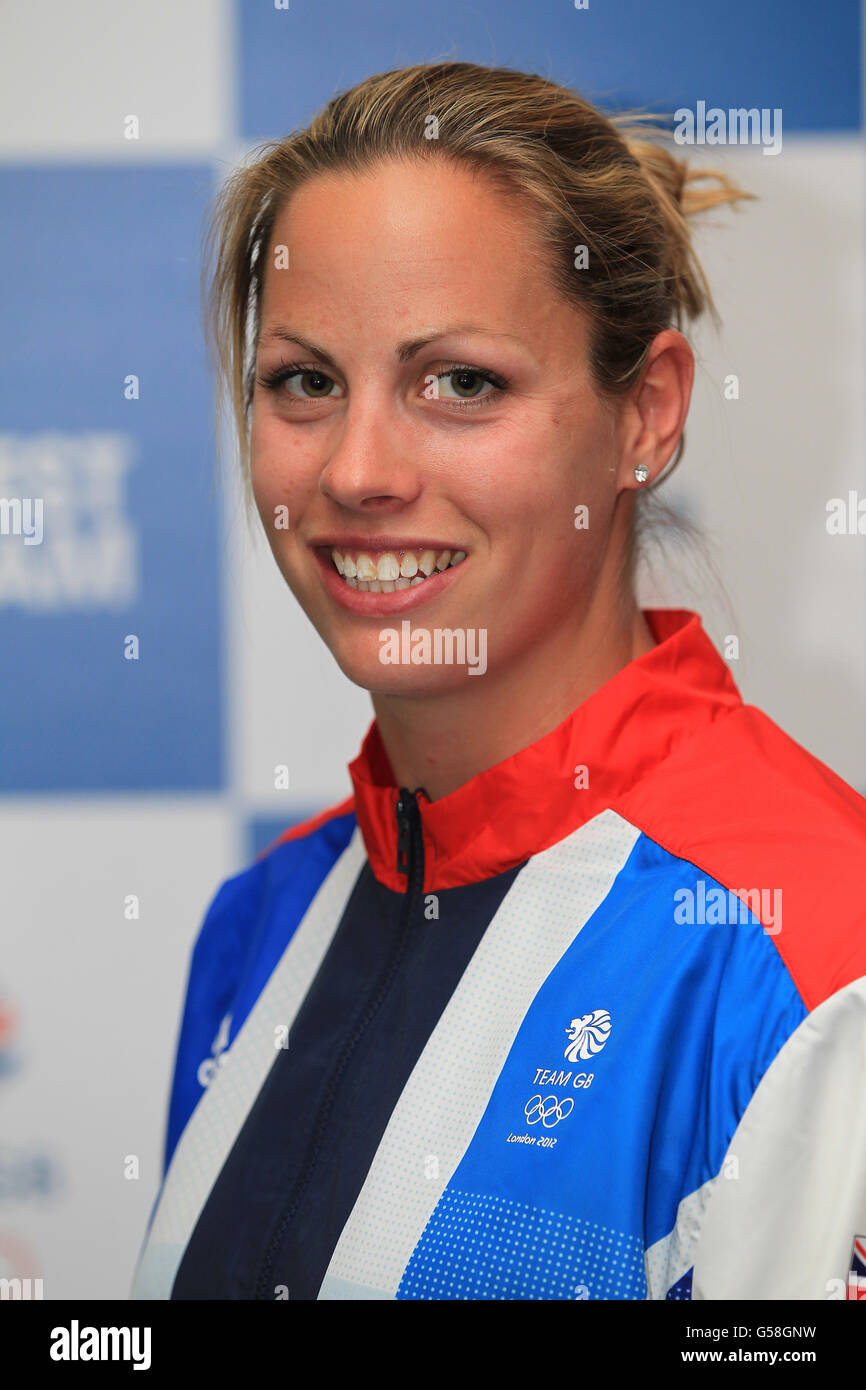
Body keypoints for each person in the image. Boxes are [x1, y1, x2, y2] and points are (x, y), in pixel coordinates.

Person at [130, 60, 866, 1302]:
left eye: (459, 382)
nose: (358, 469)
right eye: (304, 381)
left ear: (645, 414)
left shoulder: (814, 951)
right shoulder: (255, 925)